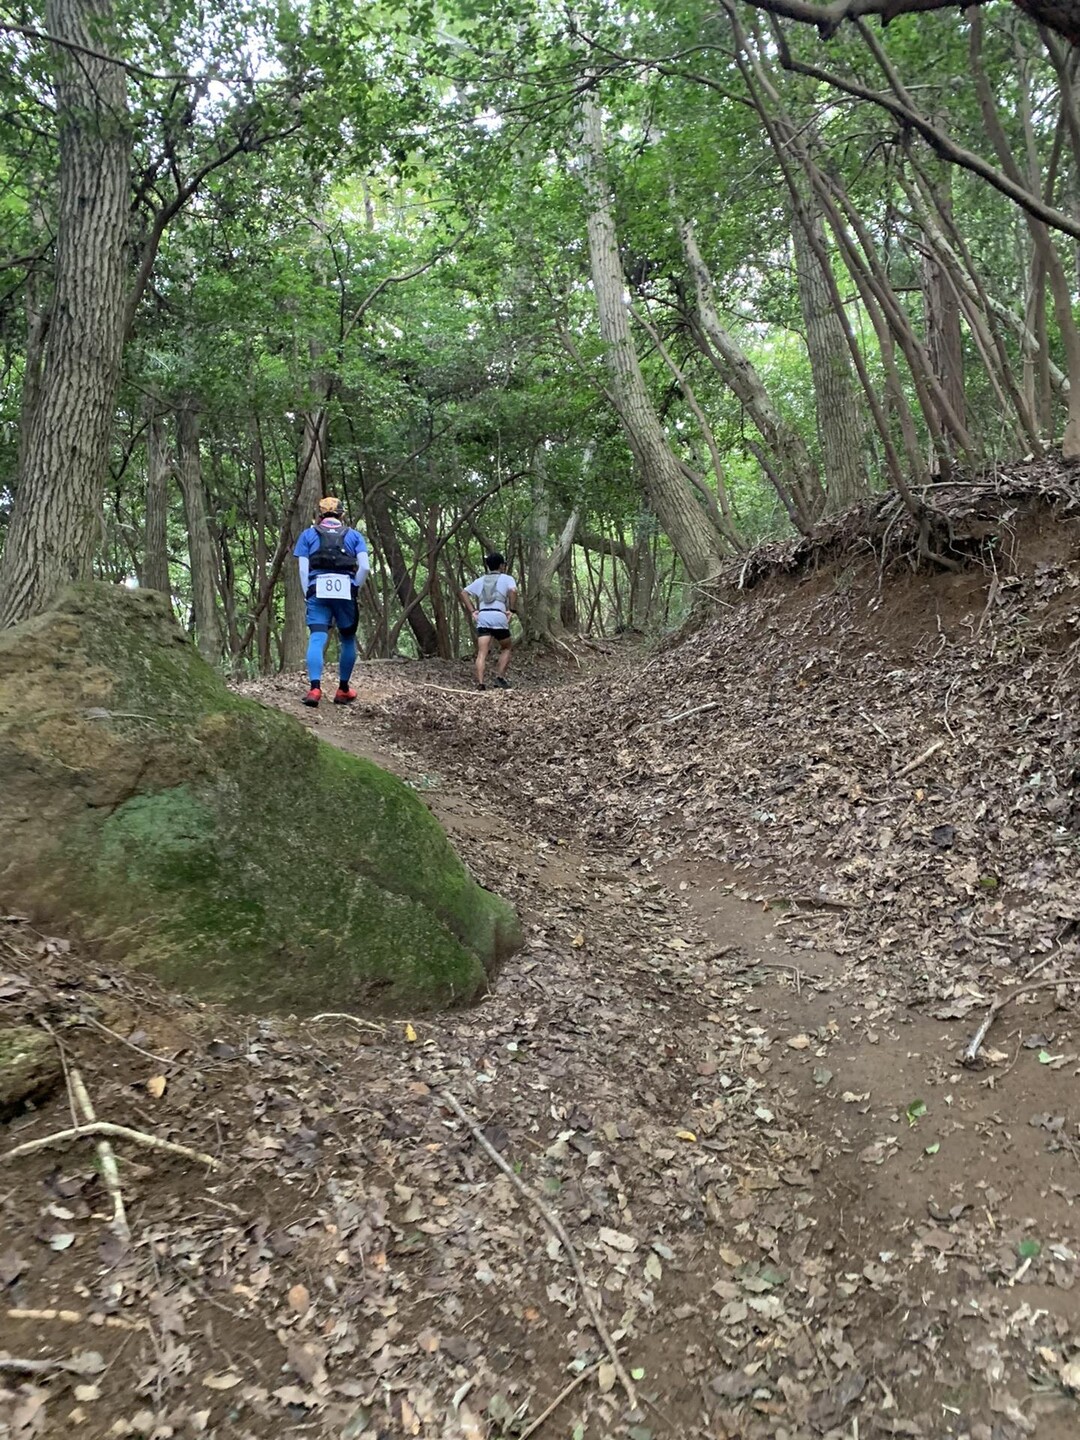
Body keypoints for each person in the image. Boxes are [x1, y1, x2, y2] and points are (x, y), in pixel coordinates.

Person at [293, 497, 370, 707]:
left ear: (319, 516)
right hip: (346, 589)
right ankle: (343, 689)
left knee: (317, 638)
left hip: (317, 587)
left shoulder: (308, 535)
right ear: (342, 515)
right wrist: (355, 587)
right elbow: (364, 567)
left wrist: (306, 592)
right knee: (347, 639)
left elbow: (302, 569)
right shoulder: (354, 536)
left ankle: (315, 688)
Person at [460, 553, 518, 690]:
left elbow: (463, 592)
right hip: (499, 617)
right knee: (507, 647)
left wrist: (473, 611)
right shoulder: (507, 578)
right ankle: (500, 678)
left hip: (484, 617)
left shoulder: (480, 580)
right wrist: (511, 610)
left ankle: (481, 683)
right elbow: (514, 591)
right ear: (501, 566)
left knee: (482, 652)